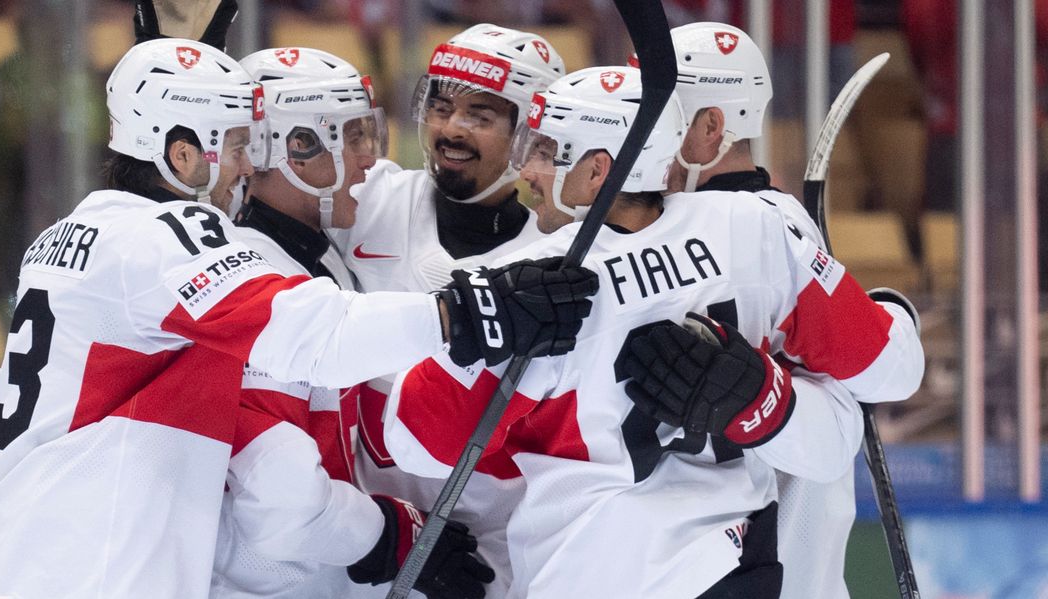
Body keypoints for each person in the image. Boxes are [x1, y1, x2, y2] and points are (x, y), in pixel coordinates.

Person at [0, 38, 596, 598]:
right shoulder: (163, 240)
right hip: (87, 566)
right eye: (236, 146)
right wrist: (470, 311)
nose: (248, 165)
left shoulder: (77, 232)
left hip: (30, 548)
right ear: (181, 156)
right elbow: (308, 337)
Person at [383, 64, 921, 598]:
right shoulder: (755, 227)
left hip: (588, 574)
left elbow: (413, 443)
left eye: (545, 152)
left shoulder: (531, 283)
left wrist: (478, 321)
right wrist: (778, 390)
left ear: (598, 171)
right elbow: (888, 370)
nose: (527, 170)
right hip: (735, 569)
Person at [206, 47, 492, 599]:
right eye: (352, 136)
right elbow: (278, 506)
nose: (369, 159)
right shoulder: (250, 281)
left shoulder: (319, 253)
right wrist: (387, 534)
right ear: (293, 147)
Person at [663, 23, 924, 599]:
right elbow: (892, 367)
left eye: (657, 109)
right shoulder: (770, 228)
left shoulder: (647, 231)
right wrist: (892, 311)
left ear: (711, 127)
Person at [326, 23, 564, 594]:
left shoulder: (559, 263)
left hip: (494, 563)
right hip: (364, 549)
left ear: (532, 133)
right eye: (440, 107)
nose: (451, 129)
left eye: (480, 115)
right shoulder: (367, 199)